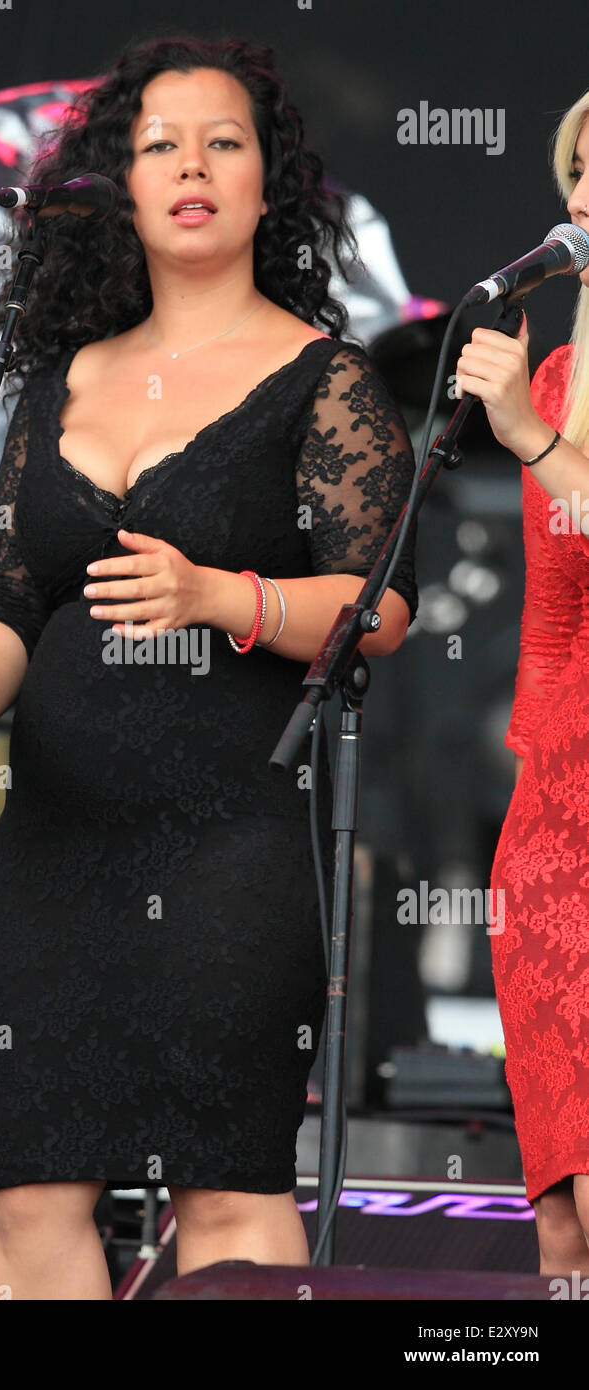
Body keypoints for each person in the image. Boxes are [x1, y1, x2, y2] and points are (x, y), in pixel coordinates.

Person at [0, 35, 417, 1300]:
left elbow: (379, 610)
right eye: (158, 145)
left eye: (221, 141)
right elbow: (16, 590)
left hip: (231, 844)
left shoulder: (325, 382)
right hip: (54, 842)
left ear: (266, 184)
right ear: (118, 186)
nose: (190, 165)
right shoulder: (53, 380)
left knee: (225, 1183)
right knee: (27, 1191)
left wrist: (215, 595)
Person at [455, 88, 589, 1278]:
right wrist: (533, 782)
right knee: (556, 1207)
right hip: (555, 823)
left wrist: (534, 446)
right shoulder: (551, 379)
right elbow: (550, 616)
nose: (588, 198)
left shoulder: (538, 419)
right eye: (583, 171)